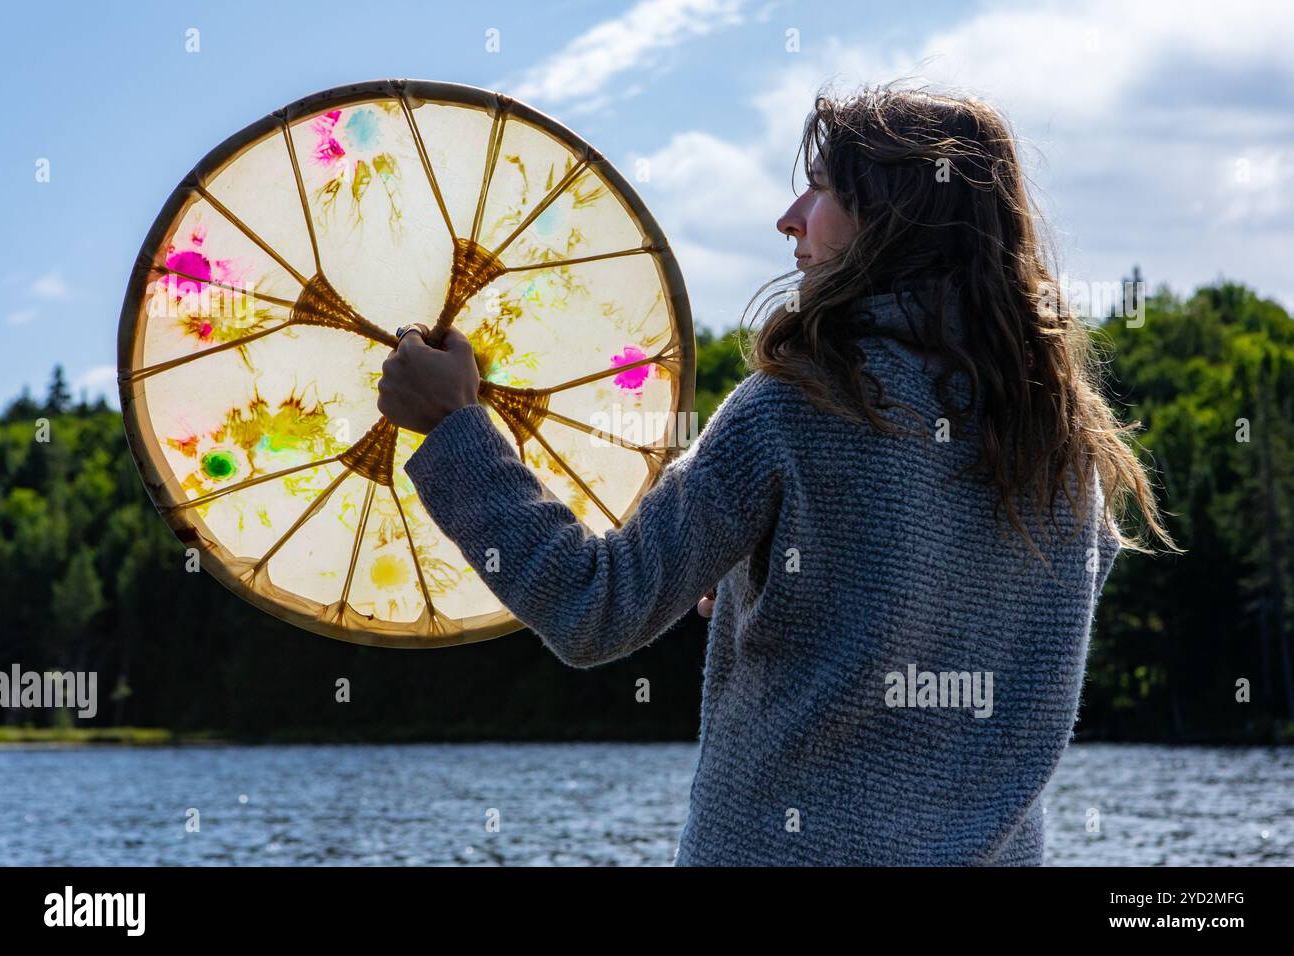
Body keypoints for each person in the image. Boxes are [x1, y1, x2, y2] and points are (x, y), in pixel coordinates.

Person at [376, 84, 1175, 866]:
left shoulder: (796, 408)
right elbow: (935, 617)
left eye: (822, 189)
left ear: (891, 223)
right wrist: (776, 577)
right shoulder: (1071, 455)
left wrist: (456, 429)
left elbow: (597, 610)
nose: (789, 218)